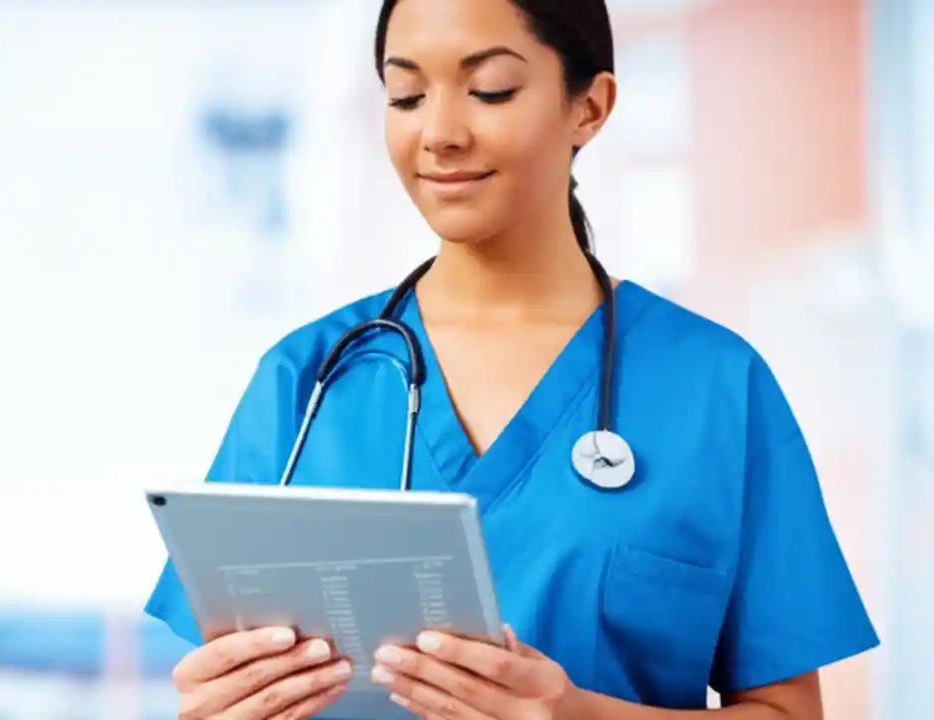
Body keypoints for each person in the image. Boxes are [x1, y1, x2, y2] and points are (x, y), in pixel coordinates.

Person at [144, 0, 880, 717]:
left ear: (588, 107)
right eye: (405, 95)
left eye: (489, 89)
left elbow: (789, 711)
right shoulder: (306, 379)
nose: (439, 133)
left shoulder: (713, 386)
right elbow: (225, 677)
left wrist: (578, 717)